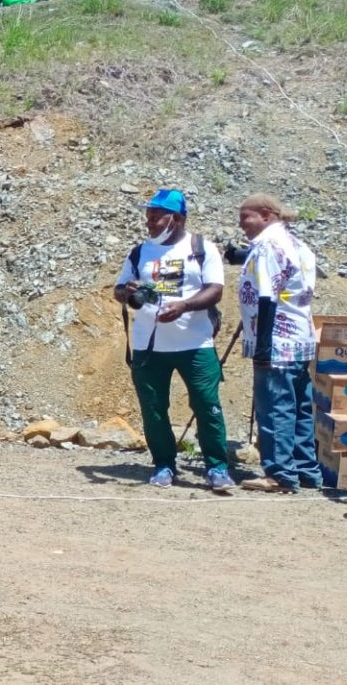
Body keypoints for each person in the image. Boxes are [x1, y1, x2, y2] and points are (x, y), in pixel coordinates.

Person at [113, 189, 235, 492]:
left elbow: (215, 290)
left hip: (195, 343)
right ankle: (164, 465)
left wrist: (183, 306)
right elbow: (117, 290)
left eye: (157, 215)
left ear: (177, 218)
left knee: (207, 405)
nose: (149, 220)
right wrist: (127, 292)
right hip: (148, 345)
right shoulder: (139, 252)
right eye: (149, 214)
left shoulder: (202, 248)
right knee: (153, 409)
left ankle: (217, 468)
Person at [235, 194, 321, 493]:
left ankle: (280, 475)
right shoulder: (298, 245)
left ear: (267, 215)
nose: (241, 223)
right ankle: (306, 470)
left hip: (277, 341)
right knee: (299, 407)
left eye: (246, 216)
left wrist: (263, 345)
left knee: (275, 407)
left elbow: (267, 296)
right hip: (299, 338)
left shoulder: (268, 247)